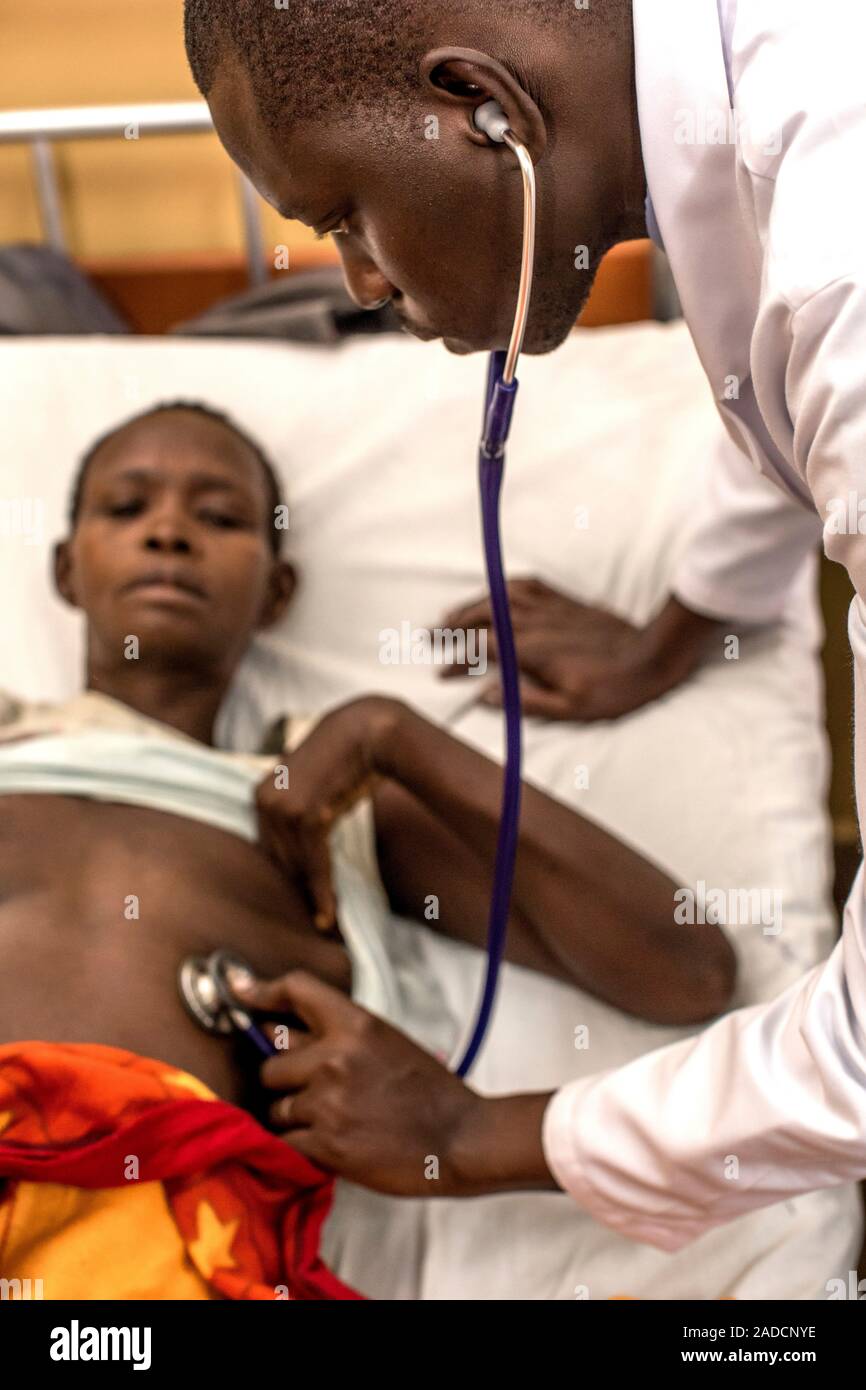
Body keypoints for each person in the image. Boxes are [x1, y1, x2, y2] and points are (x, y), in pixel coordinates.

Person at [181, 0, 866, 1246]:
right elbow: (780, 383)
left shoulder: (843, 245)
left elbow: (829, 1043)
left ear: (485, 106)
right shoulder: (746, 126)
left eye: (343, 216)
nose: (366, 280)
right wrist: (679, 629)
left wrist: (470, 1136)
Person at [0, 401, 713, 1298]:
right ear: (67, 568)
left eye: (219, 517)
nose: (170, 533)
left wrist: (394, 735)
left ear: (279, 588)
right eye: (127, 508)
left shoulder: (323, 793)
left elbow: (683, 969)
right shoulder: (12, 742)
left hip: (152, 1238)